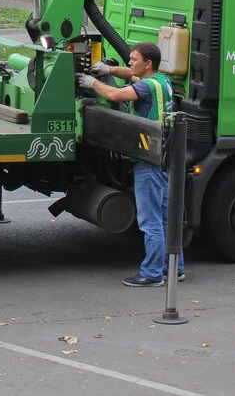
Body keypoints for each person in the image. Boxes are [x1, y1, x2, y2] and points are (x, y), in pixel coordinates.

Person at [77, 41, 182, 287]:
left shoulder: (145, 87)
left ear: (148, 64)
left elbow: (114, 95)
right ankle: (174, 269)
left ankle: (152, 273)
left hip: (148, 159)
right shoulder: (161, 80)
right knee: (167, 216)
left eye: (134, 59)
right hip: (164, 157)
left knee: (150, 219)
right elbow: (129, 74)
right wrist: (108, 70)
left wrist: (92, 83)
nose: (129, 63)